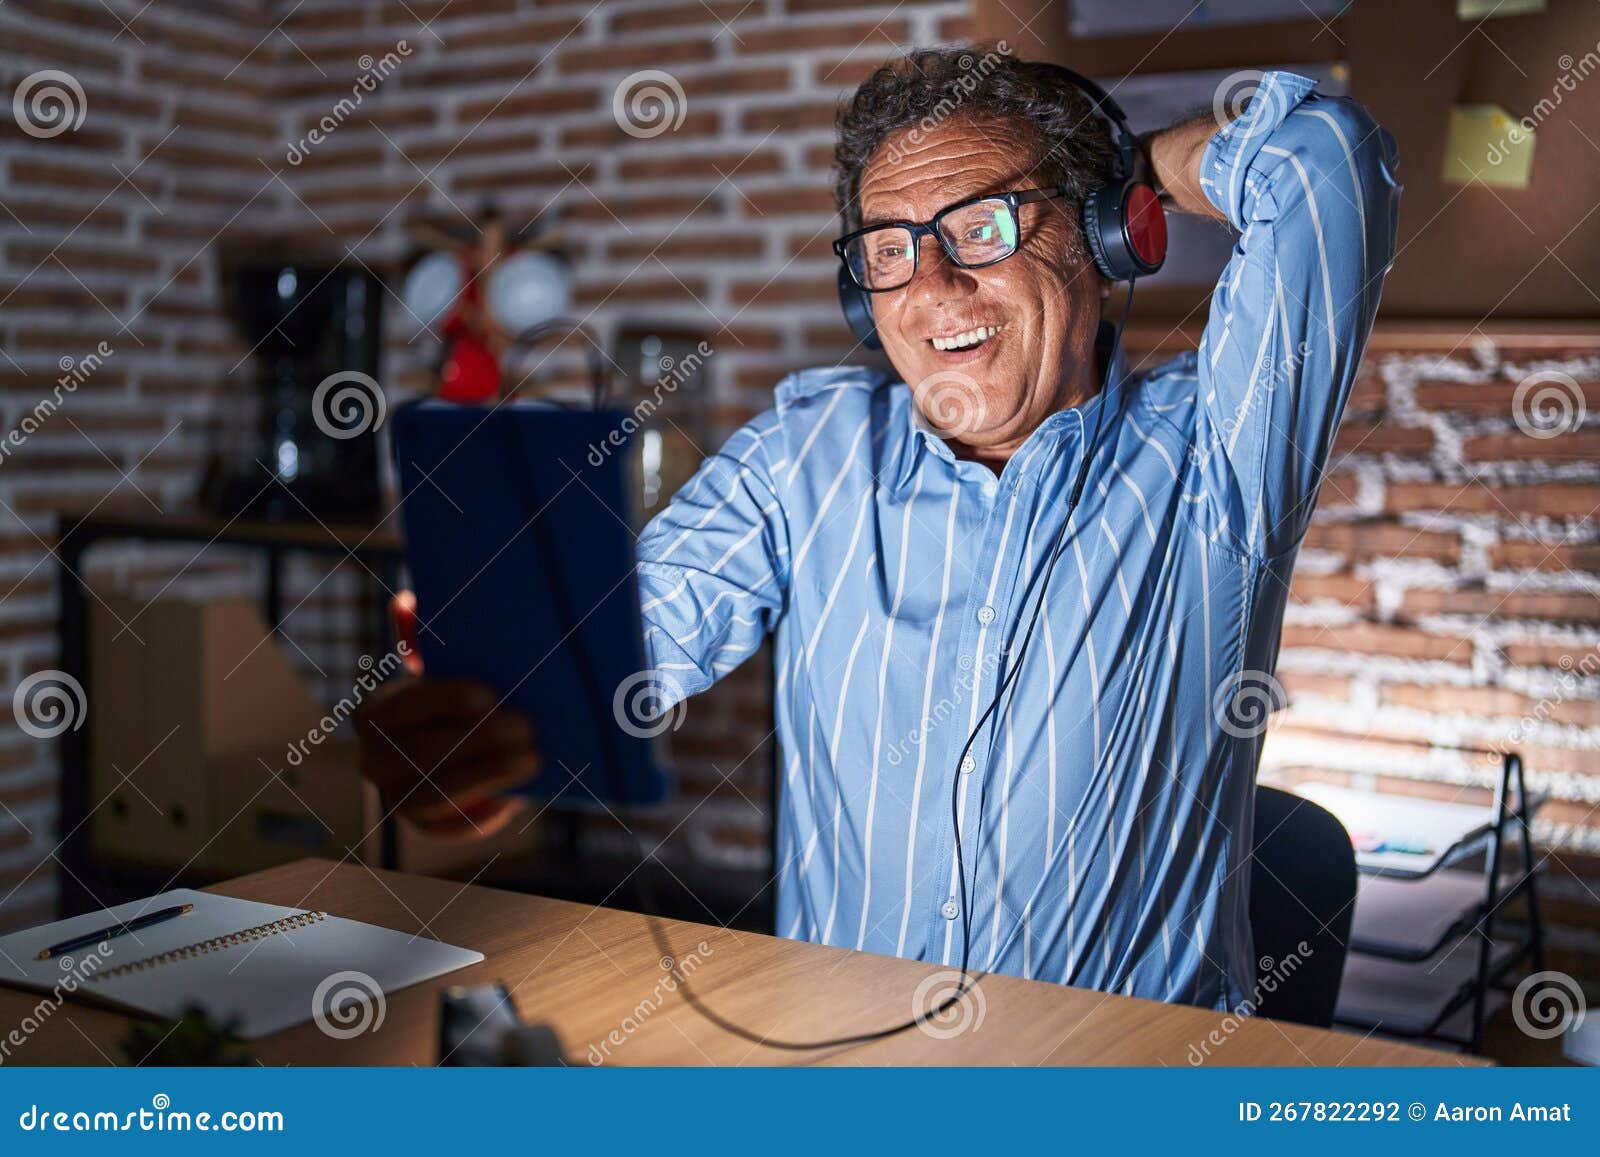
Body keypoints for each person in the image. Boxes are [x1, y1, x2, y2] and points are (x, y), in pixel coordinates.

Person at [357, 47, 1400, 1010]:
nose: (934, 288)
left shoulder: (1219, 450)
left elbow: (1326, 161)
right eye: (889, 250)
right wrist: (477, 758)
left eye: (984, 226)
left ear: (1102, 240)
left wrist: (1143, 167)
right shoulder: (806, 453)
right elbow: (573, 678)